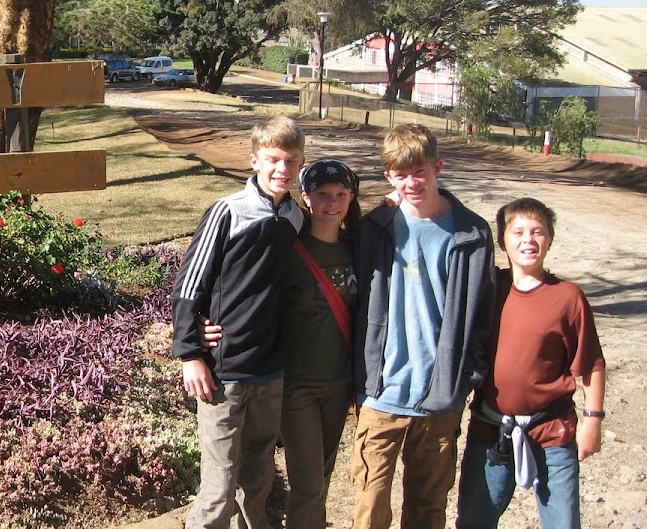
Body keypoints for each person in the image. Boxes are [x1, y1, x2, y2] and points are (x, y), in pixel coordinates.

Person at [203, 159, 362, 529]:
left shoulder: (360, 245)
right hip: (296, 383)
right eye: (322, 194)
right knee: (307, 484)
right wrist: (197, 324)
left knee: (320, 479)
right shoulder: (289, 246)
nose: (332, 203)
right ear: (305, 197)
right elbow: (239, 286)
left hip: (339, 383)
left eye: (341, 194)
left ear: (352, 198)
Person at [351, 123, 495, 529]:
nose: (412, 182)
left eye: (420, 171)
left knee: (428, 508)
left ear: (438, 167)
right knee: (369, 505)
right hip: (381, 392)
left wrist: (467, 375)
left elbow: (482, 314)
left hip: (440, 395)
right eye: (401, 174)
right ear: (388, 177)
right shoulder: (375, 228)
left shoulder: (472, 234)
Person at [172, 115, 305, 529]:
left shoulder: (296, 219)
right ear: (254, 160)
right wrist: (190, 353)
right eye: (273, 159)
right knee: (220, 484)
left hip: (269, 370)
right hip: (223, 372)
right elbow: (189, 284)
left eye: (291, 161)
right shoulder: (228, 212)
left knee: (259, 475)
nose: (282, 169)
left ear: (301, 164)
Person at [456, 198, 605, 529]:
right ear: (502, 240)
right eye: (518, 231)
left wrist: (593, 421)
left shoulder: (567, 297)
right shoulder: (489, 289)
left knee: (563, 523)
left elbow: (592, 363)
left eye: (538, 232)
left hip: (551, 432)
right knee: (473, 521)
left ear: (549, 239)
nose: (528, 240)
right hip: (490, 431)